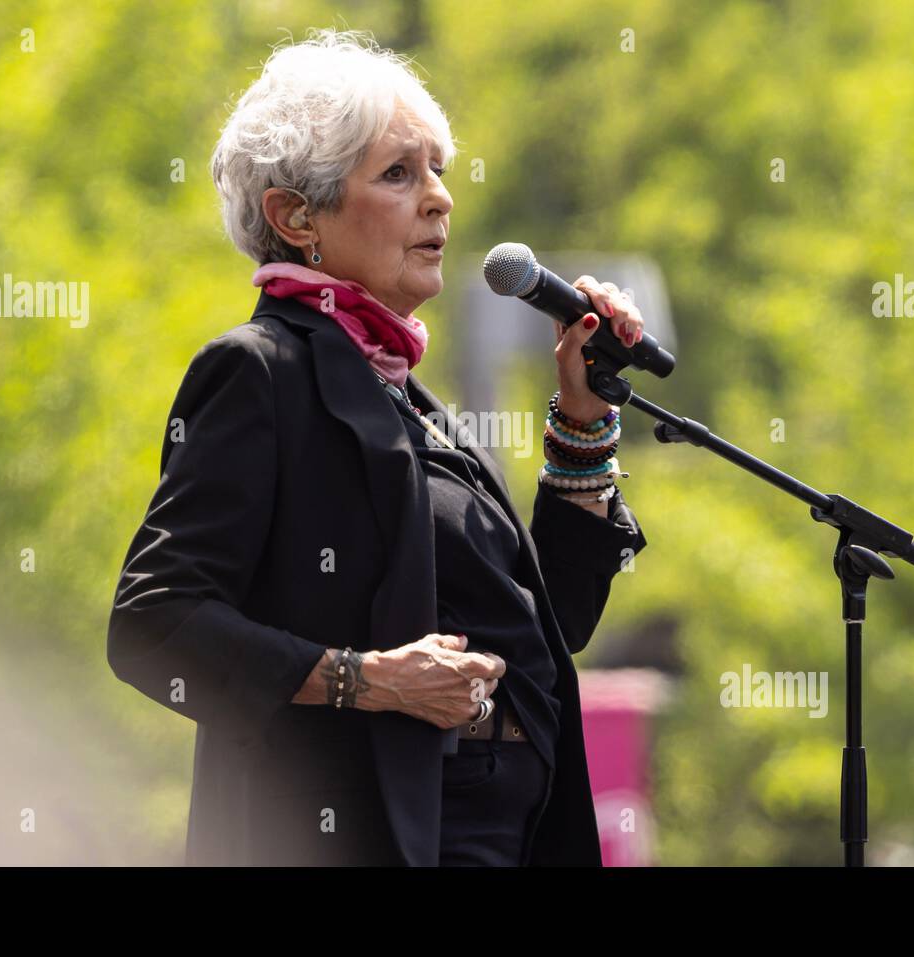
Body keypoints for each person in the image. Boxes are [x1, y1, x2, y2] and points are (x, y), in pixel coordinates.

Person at [106, 28, 648, 866]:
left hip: (509, 831)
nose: (439, 199)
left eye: (438, 169)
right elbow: (153, 624)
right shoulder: (261, 372)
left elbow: (554, 626)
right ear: (297, 216)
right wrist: (368, 679)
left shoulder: (406, 394)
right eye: (398, 173)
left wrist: (583, 417)